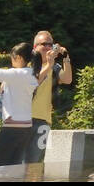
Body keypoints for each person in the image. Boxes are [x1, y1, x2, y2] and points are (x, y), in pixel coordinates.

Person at [0, 42, 48, 166]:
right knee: (13, 165)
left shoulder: (17, 74)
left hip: (12, 126)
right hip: (26, 127)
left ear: (19, 58)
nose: (11, 62)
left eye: (12, 58)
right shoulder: (31, 74)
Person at [27, 30, 72, 163]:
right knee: (19, 160)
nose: (47, 47)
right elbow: (33, 81)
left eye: (50, 44)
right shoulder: (29, 64)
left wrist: (66, 57)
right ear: (35, 47)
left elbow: (67, 79)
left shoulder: (54, 67)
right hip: (24, 118)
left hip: (44, 120)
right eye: (44, 44)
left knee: (35, 161)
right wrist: (48, 64)